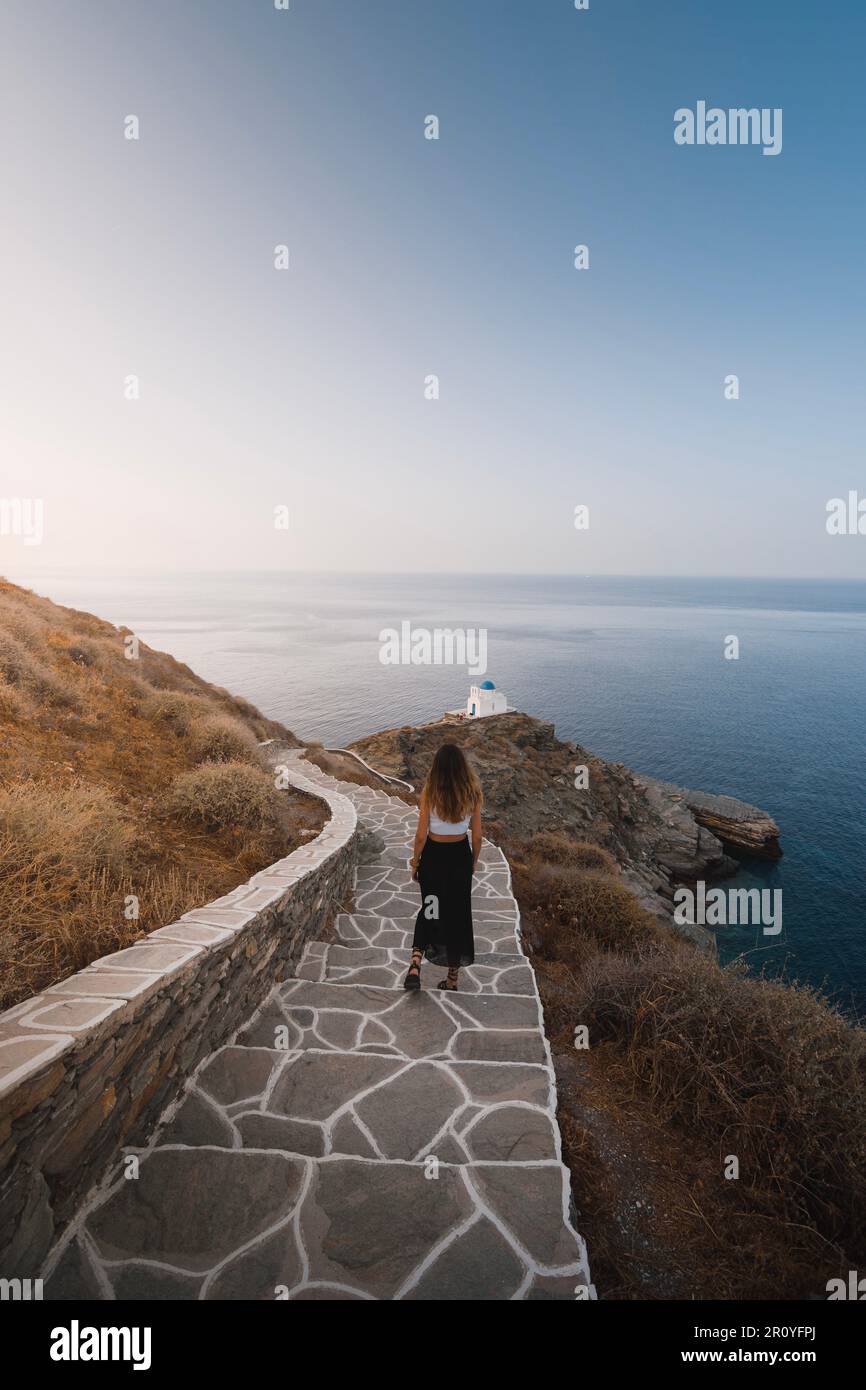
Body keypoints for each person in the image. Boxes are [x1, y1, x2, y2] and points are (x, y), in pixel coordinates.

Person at [404, 743, 482, 992]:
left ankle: (415, 964)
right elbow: (478, 836)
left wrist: (415, 863)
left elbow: (420, 835)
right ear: (462, 766)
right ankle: (452, 980)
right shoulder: (473, 791)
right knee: (457, 916)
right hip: (459, 856)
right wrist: (473, 863)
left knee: (430, 907)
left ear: (437, 767)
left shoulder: (430, 790)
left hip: (434, 857)